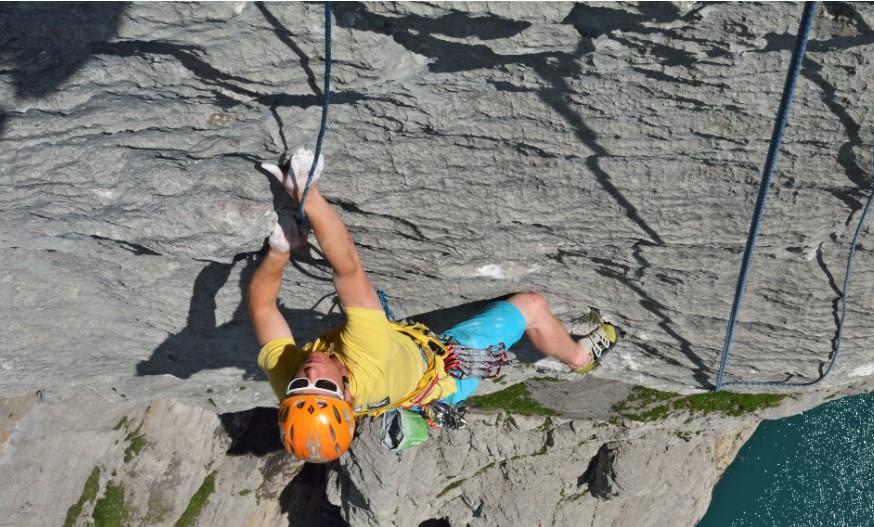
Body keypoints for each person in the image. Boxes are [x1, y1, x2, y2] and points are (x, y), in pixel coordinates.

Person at [247, 148, 619, 463]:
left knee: (378, 320)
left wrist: (279, 253)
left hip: (398, 370)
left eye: (301, 384)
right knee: (533, 306)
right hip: (444, 370)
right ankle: (580, 359)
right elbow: (347, 266)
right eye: (323, 385)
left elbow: (264, 310)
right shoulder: (368, 354)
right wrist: (307, 194)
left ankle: (419, 412)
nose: (310, 372)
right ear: (345, 393)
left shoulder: (293, 388)